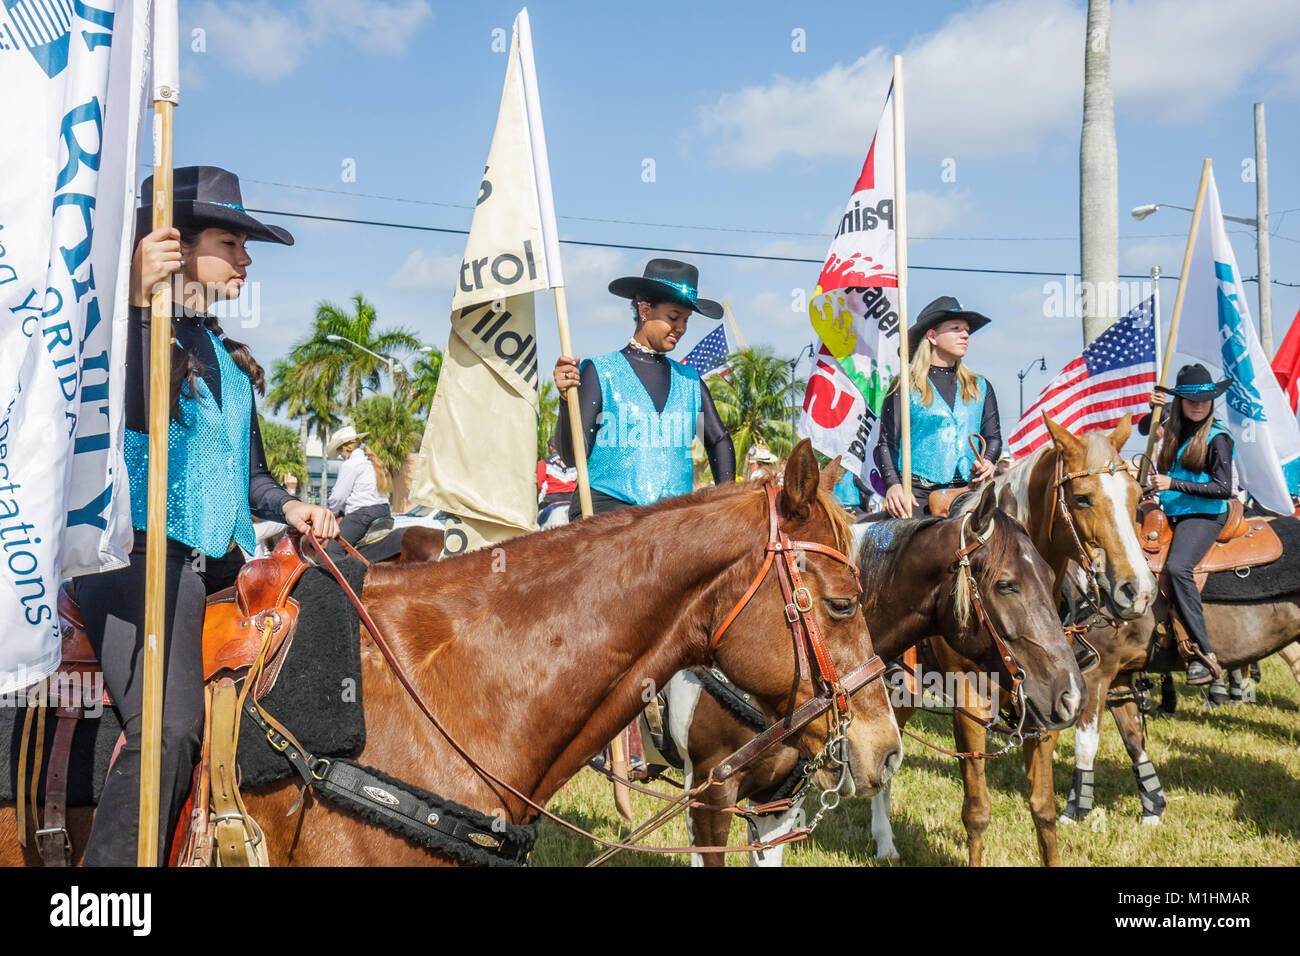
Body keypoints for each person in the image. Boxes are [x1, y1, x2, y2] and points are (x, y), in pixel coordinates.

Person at [71, 166, 339, 866]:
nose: (247, 258)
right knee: (167, 726)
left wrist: (292, 505)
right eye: (232, 240)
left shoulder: (223, 352)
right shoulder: (113, 332)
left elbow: (250, 476)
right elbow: (127, 407)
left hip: (224, 558)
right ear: (175, 246)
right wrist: (134, 299)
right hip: (135, 559)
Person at [552, 258, 736, 519]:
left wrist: (726, 500)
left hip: (671, 523)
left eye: (686, 320)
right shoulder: (600, 372)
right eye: (674, 317)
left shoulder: (690, 381)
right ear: (645, 310)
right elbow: (573, 456)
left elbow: (718, 440)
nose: (681, 328)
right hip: (607, 522)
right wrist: (564, 399)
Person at [1148, 363, 1236, 686]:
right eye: (1190, 399)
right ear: (1180, 402)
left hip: (1206, 513)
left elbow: (1223, 488)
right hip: (1175, 511)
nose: (1199, 405)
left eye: (1205, 399)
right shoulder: (1172, 427)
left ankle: (1206, 652)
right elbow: (1147, 425)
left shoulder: (1218, 437)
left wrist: (1172, 483)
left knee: (1178, 568)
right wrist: (1153, 407)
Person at [875, 296, 1002, 517]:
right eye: (956, 328)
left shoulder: (980, 386)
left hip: (968, 493)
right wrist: (893, 485)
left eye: (967, 330)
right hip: (917, 496)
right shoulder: (904, 385)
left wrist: (989, 461)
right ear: (932, 336)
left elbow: (993, 437)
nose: (965, 335)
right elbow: (886, 442)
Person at [326, 425, 392, 545]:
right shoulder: (371, 460)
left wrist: (332, 513)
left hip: (363, 515)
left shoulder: (350, 464)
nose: (340, 454)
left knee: (333, 549)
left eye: (339, 450)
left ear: (345, 447)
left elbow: (338, 497)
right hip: (384, 511)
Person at [537, 438, 577, 508]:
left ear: (550, 448)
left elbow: (540, 485)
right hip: (572, 500)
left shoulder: (544, 463)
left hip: (551, 500)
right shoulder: (573, 462)